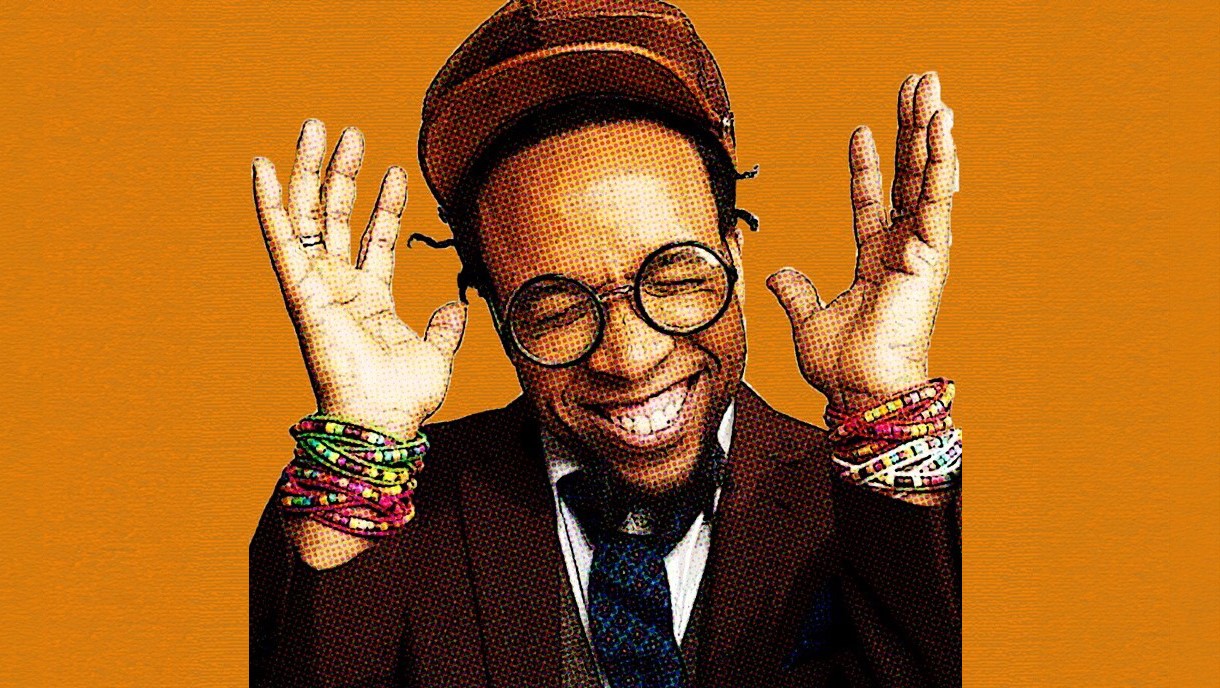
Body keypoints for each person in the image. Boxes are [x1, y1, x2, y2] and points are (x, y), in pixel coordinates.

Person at [249, 1, 962, 686]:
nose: (630, 357)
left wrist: (884, 406)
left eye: (675, 278)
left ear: (735, 261)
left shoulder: (876, 505)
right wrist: (364, 441)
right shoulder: (367, 510)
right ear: (497, 318)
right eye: (558, 311)